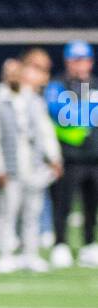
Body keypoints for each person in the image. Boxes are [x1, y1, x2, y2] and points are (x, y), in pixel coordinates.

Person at [0, 57, 61, 274]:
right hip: (10, 168)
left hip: (33, 167)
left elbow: (46, 132)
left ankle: (30, 255)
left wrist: (54, 158)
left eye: (17, 72)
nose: (14, 77)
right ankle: (5, 254)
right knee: (7, 213)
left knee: (33, 213)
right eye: (10, 73)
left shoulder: (33, 100)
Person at [45, 41, 98, 269]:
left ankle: (89, 243)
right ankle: (60, 244)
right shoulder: (57, 85)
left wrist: (82, 111)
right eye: (75, 60)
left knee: (91, 206)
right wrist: (85, 112)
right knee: (62, 204)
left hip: (94, 157)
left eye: (83, 60)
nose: (80, 65)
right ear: (68, 62)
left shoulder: (95, 85)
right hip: (67, 157)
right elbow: (60, 113)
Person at [20, 47, 55, 249]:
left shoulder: (48, 96)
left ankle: (43, 230)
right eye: (37, 68)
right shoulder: (12, 94)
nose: (42, 74)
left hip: (39, 161)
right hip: (18, 161)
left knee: (40, 199)